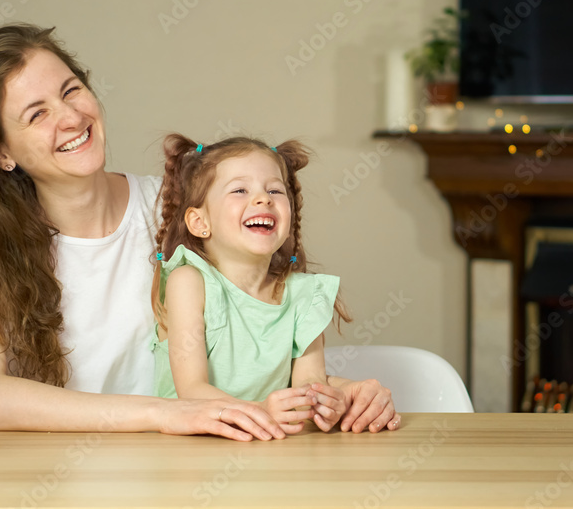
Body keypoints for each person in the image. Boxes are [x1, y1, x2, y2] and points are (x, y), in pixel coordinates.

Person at [0, 23, 398, 439]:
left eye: (72, 90)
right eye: (37, 113)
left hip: (185, 474)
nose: (70, 117)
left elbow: (259, 337)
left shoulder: (182, 209)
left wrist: (334, 392)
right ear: (1, 152)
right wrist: (162, 414)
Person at [151, 134, 401, 434]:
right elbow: (191, 390)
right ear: (200, 222)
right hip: (190, 452)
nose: (263, 199)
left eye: (274, 190)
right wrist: (261, 411)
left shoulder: (305, 295)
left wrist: (323, 403)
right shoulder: (189, 282)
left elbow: (309, 383)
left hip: (271, 449)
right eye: (240, 190)